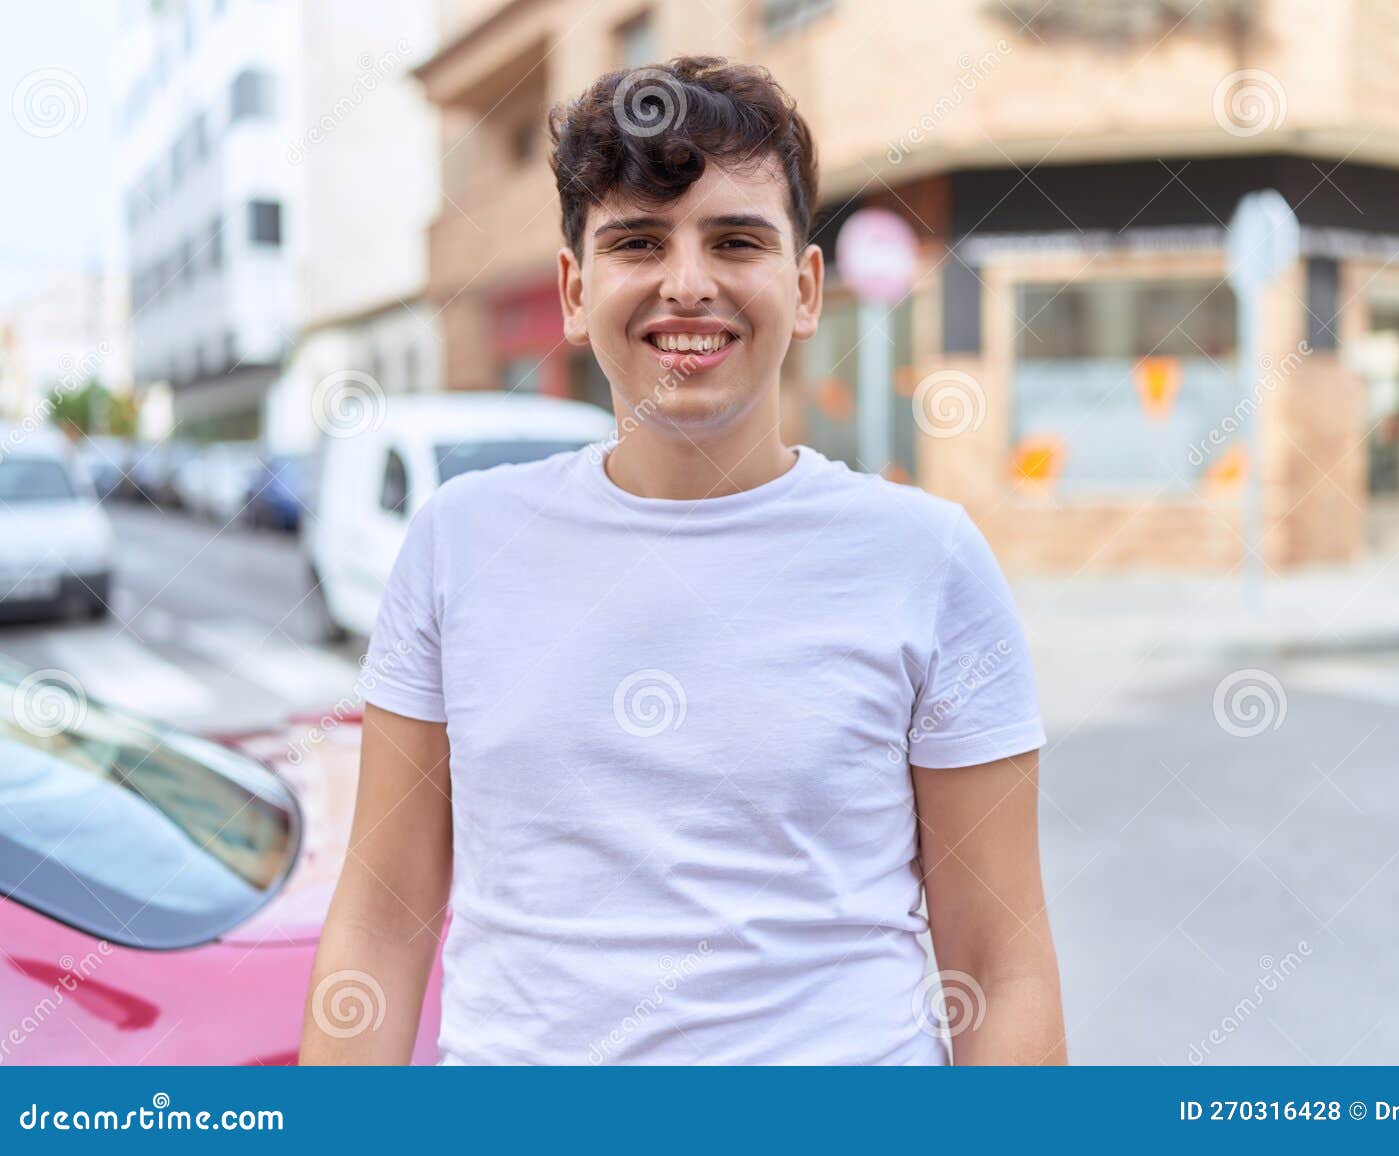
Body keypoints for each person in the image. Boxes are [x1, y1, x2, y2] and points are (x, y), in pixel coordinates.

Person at [300, 56, 1065, 1066]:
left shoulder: (925, 559)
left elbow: (999, 961)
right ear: (575, 290)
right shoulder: (458, 541)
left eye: (735, 239)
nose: (688, 282)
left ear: (804, 289)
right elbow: (381, 922)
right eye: (638, 242)